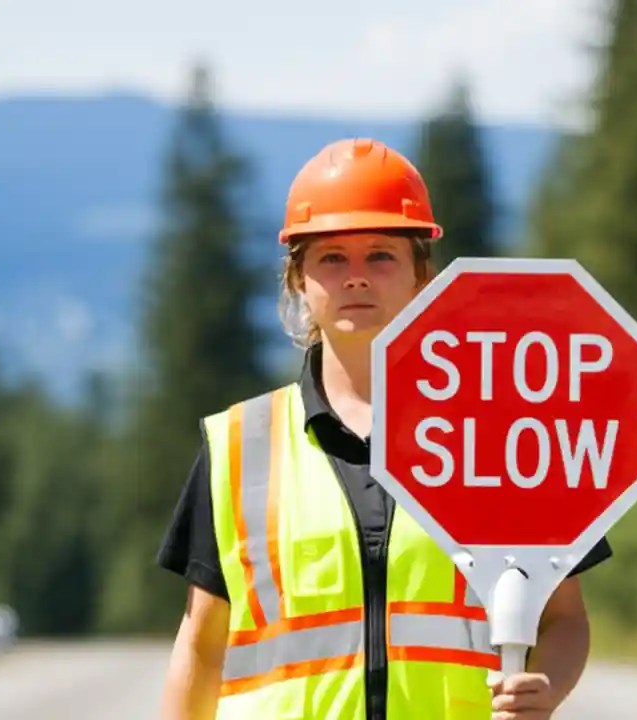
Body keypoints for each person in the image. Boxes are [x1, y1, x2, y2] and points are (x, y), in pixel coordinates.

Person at [157, 138, 612, 720]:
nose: (356, 278)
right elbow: (200, 649)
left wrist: (544, 688)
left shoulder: (498, 433)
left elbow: (566, 618)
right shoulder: (240, 445)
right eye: (331, 258)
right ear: (298, 279)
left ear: (423, 275)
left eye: (380, 256)